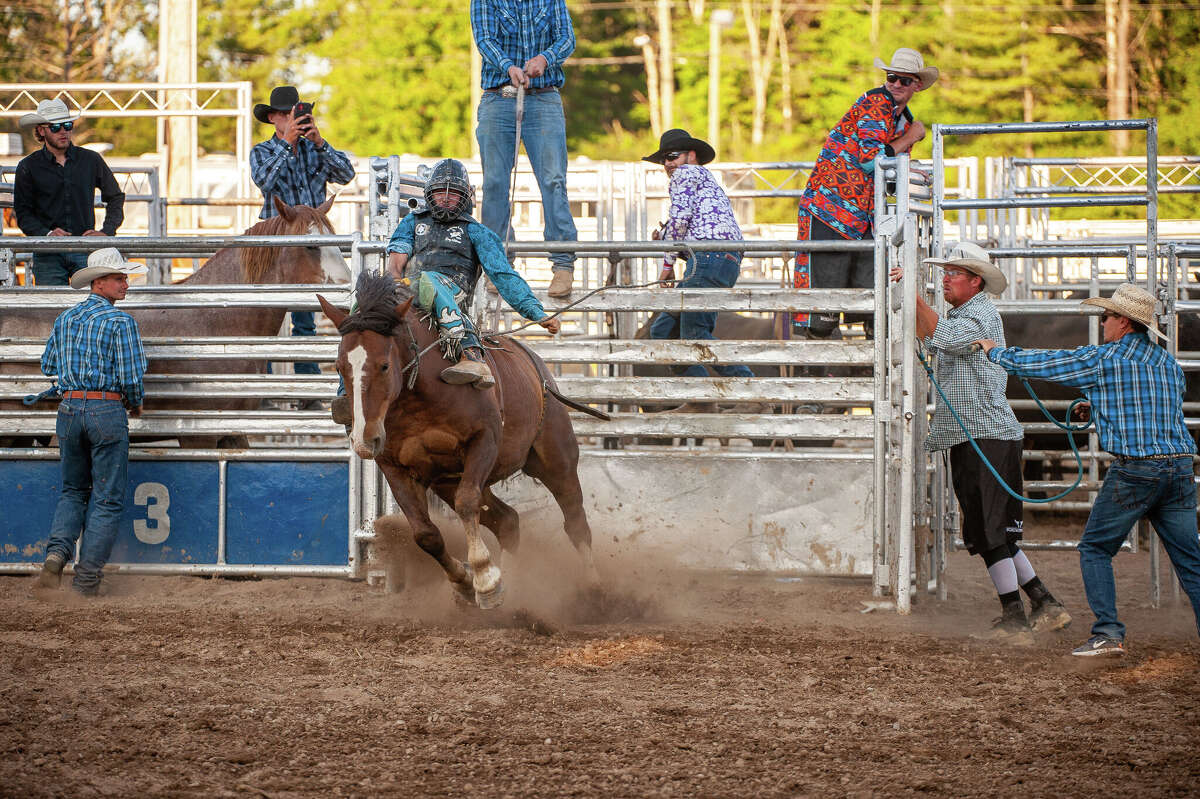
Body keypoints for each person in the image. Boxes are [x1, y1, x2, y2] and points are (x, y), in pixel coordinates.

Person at [977, 283, 1200, 657]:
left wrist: (996, 352)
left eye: (1106, 317)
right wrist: (1098, 408)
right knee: (1190, 560)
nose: (1102, 323)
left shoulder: (1104, 359)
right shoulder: (1167, 364)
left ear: (1124, 323)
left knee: (1095, 548)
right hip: (1178, 469)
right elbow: (1157, 411)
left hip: (1136, 470)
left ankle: (1108, 633)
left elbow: (1048, 363)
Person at [892, 243, 1069, 644]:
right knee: (998, 531)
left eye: (954, 272)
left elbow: (946, 338)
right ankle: (1044, 602)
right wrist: (915, 302)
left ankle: (1014, 616)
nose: (946, 278)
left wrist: (912, 297)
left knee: (990, 531)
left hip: (983, 435)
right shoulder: (970, 313)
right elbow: (935, 332)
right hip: (984, 434)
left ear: (976, 281)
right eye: (947, 271)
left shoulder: (978, 315)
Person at [330, 158, 558, 429]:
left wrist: (536, 312)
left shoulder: (477, 232)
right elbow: (397, 255)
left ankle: (470, 354)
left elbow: (503, 275)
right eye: (441, 192)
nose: (447, 198)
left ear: (466, 197)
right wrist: (391, 279)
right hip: (409, 287)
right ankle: (345, 389)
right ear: (430, 194)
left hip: (452, 290)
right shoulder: (413, 222)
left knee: (430, 281)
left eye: (455, 193)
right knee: (365, 296)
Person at [795, 48, 934, 339]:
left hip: (861, 217)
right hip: (832, 210)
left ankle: (864, 374)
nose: (896, 84)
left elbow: (890, 174)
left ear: (916, 86)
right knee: (827, 307)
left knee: (869, 302)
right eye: (892, 78)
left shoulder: (902, 119)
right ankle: (818, 372)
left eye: (904, 81)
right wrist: (911, 138)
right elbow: (871, 159)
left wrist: (910, 167)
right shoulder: (877, 104)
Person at [35, 247, 147, 598]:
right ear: (99, 282)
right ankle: (86, 581)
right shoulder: (120, 322)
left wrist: (75, 372)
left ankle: (55, 556)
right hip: (107, 411)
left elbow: (47, 364)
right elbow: (131, 377)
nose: (125, 284)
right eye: (118, 278)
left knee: (72, 491)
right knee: (107, 498)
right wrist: (136, 402)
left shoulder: (65, 319)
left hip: (69, 409)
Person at [249, 86, 356, 403]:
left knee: (305, 320)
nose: (291, 119)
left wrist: (320, 142)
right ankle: (260, 392)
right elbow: (263, 180)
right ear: (273, 118)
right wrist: (287, 143)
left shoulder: (315, 149)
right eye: (285, 114)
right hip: (274, 246)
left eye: (296, 113)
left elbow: (347, 174)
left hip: (308, 247)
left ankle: (308, 391)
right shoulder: (262, 150)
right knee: (262, 322)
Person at [641, 129, 756, 413]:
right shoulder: (704, 182)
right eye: (664, 160)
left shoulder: (686, 175)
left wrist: (666, 263)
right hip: (719, 260)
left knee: (692, 333)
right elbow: (690, 226)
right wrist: (670, 239)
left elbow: (680, 221)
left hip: (708, 259)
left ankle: (749, 390)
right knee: (663, 329)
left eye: (672, 156)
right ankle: (702, 396)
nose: (668, 164)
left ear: (691, 156)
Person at [470, 0, 578, 299]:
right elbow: (485, 40)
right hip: (499, 96)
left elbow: (567, 38)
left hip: (544, 98)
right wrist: (509, 67)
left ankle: (562, 263)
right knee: (494, 183)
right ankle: (498, 263)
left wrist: (545, 58)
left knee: (553, 179)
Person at [13, 99, 126, 286]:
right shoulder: (28, 166)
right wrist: (47, 234)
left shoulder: (91, 160)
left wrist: (107, 232)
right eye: (56, 127)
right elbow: (23, 213)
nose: (64, 131)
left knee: (88, 306)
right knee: (52, 307)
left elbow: (115, 197)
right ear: (41, 131)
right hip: (48, 252)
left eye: (67, 125)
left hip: (85, 249)